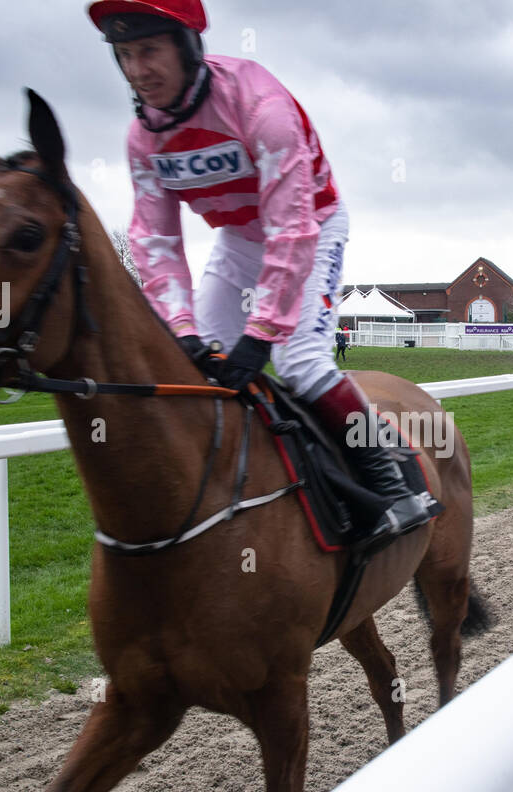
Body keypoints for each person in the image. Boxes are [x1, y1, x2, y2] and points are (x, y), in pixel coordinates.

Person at [89, 0, 432, 549]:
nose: (136, 69)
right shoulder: (143, 139)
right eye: (124, 55)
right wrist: (183, 330)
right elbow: (156, 243)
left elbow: (291, 230)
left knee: (298, 361)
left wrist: (261, 334)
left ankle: (393, 483)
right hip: (240, 240)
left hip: (310, 227)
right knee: (190, 370)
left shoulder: (259, 105)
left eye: (149, 50)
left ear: (186, 46)